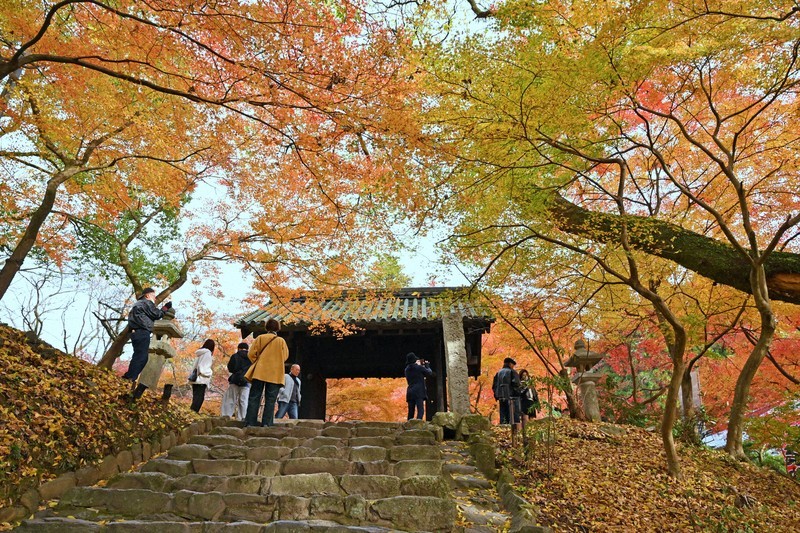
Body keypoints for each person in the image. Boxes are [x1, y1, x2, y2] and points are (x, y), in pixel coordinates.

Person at [244, 319, 289, 427]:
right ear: (277, 328)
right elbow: (285, 356)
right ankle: (267, 423)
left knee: (254, 396)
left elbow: (250, 354)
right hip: (275, 373)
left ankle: (250, 422)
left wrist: (259, 361)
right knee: (271, 399)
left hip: (259, 371)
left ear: (267, 327)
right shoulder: (281, 341)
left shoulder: (260, 338)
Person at [124, 287, 171, 383]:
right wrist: (165, 308)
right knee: (142, 357)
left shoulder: (137, 304)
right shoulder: (146, 303)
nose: (155, 298)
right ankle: (130, 378)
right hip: (142, 331)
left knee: (138, 355)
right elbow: (156, 314)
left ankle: (129, 377)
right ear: (147, 295)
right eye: (153, 295)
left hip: (135, 332)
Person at [221, 342, 251, 420]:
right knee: (244, 401)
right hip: (246, 381)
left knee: (231, 399)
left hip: (235, 379)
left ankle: (227, 415)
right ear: (247, 349)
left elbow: (230, 368)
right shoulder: (251, 357)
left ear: (239, 348)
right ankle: (243, 417)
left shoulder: (235, 356)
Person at [492, 357, 522, 427]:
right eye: (513, 364)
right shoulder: (512, 372)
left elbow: (494, 386)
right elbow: (516, 385)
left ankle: (504, 433)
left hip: (501, 398)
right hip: (512, 398)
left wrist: (497, 395)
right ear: (510, 364)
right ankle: (515, 434)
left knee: (503, 417)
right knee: (514, 418)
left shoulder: (498, 373)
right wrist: (518, 394)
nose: (513, 366)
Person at [188, 339, 215, 413]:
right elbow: (203, 368)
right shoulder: (207, 353)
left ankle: (191, 413)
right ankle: (193, 413)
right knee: (199, 398)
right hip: (201, 380)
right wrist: (210, 372)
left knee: (196, 397)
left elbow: (196, 366)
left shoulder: (200, 353)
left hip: (195, 379)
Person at [404, 352, 433, 420]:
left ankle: (409, 426)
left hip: (410, 391)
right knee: (420, 410)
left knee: (411, 412)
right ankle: (418, 426)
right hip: (419, 391)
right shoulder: (419, 368)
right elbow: (429, 373)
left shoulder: (406, 370)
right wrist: (427, 366)